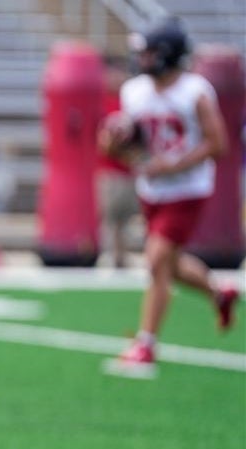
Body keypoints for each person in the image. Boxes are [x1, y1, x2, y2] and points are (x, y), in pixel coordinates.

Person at [99, 15, 237, 370]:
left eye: (149, 54)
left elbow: (219, 144)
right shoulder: (135, 92)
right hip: (152, 189)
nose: (142, 61)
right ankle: (219, 293)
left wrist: (173, 166)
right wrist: (115, 142)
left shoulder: (195, 91)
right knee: (170, 266)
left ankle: (146, 344)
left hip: (187, 190)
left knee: (157, 258)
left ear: (168, 54)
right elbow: (116, 148)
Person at [96, 53, 138, 269]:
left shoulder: (129, 100)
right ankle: (110, 256)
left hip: (128, 169)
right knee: (109, 217)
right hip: (109, 169)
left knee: (126, 218)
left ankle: (123, 256)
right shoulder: (101, 100)